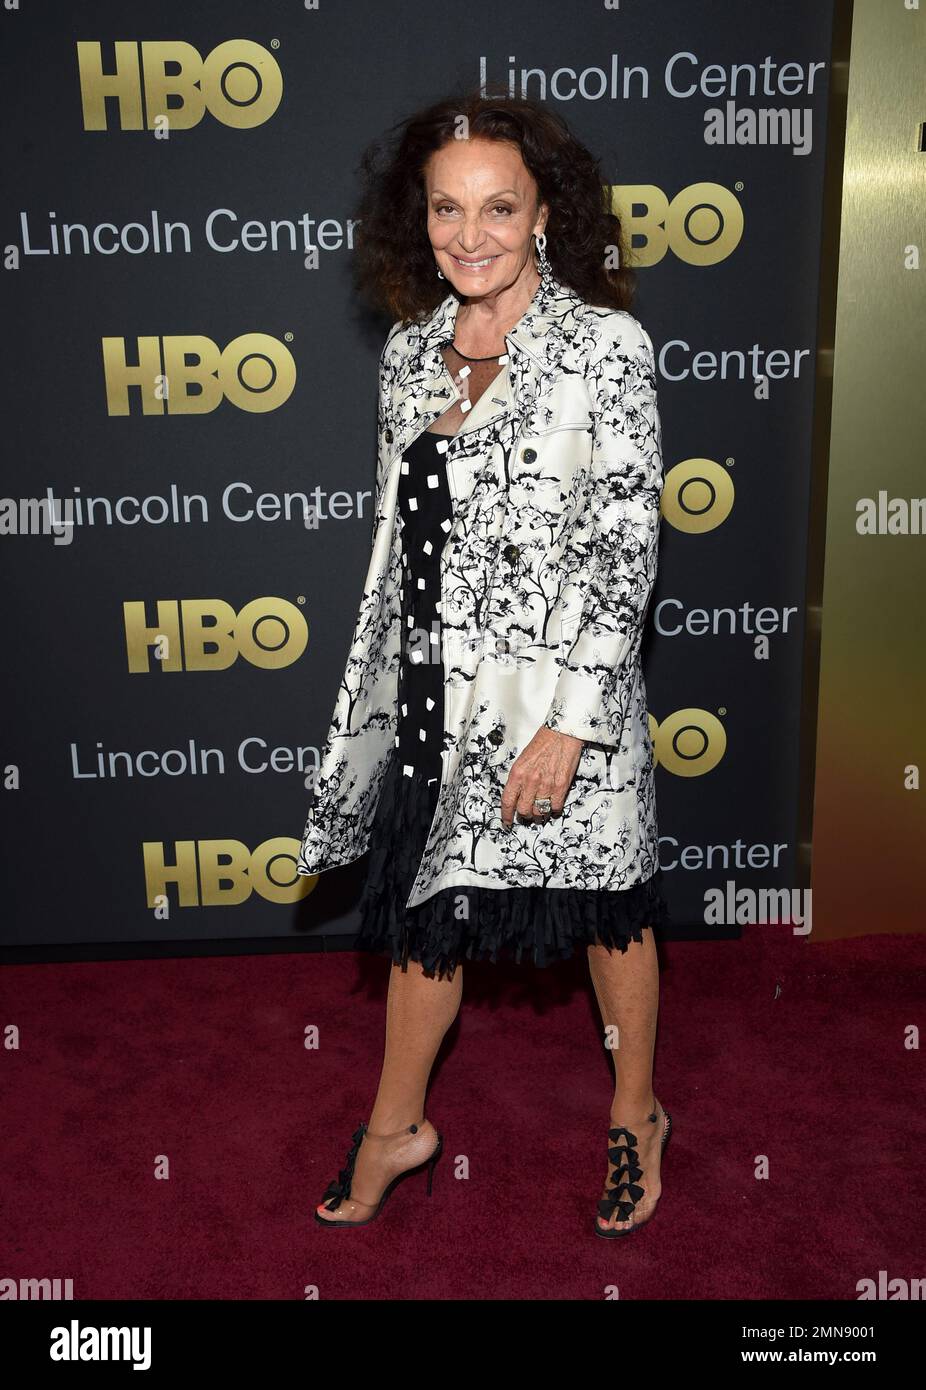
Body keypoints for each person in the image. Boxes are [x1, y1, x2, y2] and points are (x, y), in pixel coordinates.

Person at [298, 92, 672, 1238]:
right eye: (446, 209)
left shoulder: (602, 348)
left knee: (608, 917)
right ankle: (396, 1126)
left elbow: (622, 547)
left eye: (497, 207)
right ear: (419, 220)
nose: (470, 234)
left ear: (543, 215)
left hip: (560, 702)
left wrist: (571, 721)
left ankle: (635, 1110)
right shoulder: (410, 354)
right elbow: (400, 541)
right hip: (431, 699)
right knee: (425, 919)